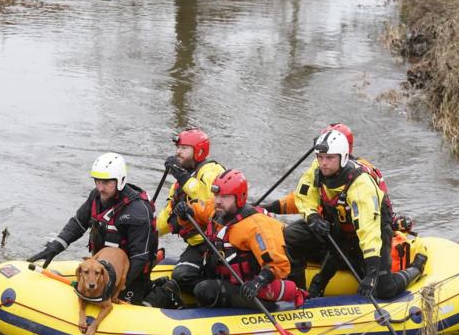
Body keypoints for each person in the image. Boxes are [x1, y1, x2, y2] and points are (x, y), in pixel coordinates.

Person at [282, 128, 427, 300]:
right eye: (320, 157)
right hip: (339, 230)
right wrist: (312, 216)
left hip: (373, 233)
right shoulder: (317, 170)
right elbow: (303, 196)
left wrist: (372, 272)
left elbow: (368, 230)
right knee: (291, 236)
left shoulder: (360, 185)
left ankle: (417, 267)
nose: (323, 163)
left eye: (329, 158)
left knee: (383, 289)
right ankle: (299, 292)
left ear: (343, 157)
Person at [27, 153, 161, 305]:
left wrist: (115, 286)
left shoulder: (137, 211)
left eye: (106, 182)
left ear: (120, 181)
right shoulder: (96, 197)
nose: (100, 188)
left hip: (130, 276)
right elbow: (78, 223)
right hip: (101, 269)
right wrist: (55, 247)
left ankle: (162, 291)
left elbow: (140, 257)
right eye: (97, 181)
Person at [174, 169, 306, 309]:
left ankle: (271, 307)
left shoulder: (257, 226)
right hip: (223, 276)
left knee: (205, 290)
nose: (218, 201)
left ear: (239, 197)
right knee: (181, 276)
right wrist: (185, 212)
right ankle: (210, 296)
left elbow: (278, 265)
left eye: (224, 197)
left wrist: (258, 282)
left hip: (249, 285)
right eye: (216, 195)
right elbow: (197, 211)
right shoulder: (216, 210)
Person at [147, 128, 226, 305]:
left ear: (198, 151)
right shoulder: (178, 185)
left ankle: (215, 298)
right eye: (178, 148)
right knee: (181, 276)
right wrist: (150, 231)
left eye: (184, 148)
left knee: (183, 275)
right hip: (197, 244)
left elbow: (210, 202)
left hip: (216, 242)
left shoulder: (211, 171)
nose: (178, 152)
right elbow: (169, 215)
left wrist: (181, 176)